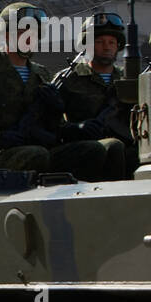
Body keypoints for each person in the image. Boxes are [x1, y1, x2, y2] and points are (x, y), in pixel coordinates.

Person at [0, 2, 119, 181]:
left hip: (40, 147)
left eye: (35, 33)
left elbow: (55, 127)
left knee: (94, 149)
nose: (30, 38)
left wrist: (63, 117)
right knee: (37, 154)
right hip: (0, 153)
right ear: (6, 34)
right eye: (23, 32)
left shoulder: (41, 73)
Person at [54, 13, 136, 178]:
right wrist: (75, 128)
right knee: (113, 147)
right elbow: (50, 121)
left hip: (124, 145)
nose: (107, 47)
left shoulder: (127, 80)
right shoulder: (69, 78)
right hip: (83, 148)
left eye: (112, 42)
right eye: (99, 42)